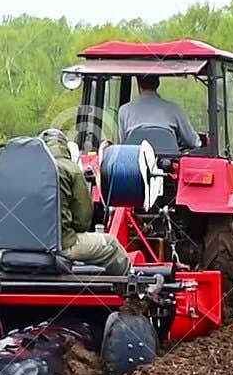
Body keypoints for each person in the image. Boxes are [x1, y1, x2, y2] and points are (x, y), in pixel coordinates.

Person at [40, 129, 131, 276]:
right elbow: (82, 222)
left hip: (18, 246)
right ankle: (134, 291)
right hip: (63, 245)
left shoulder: (20, 170)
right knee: (112, 246)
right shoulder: (71, 169)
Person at [117, 75, 202, 150]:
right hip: (168, 165)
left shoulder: (124, 110)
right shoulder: (174, 109)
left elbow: (123, 145)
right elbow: (193, 142)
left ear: (139, 84)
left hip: (135, 165)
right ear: (158, 83)